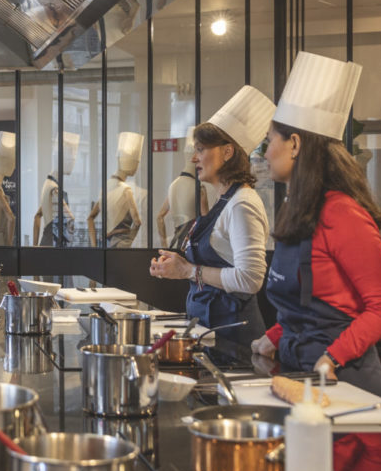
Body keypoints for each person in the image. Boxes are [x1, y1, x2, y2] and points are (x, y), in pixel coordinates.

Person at [253, 52, 381, 398]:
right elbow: (306, 306)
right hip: (298, 373)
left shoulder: (342, 214)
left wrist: (332, 357)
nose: (264, 153)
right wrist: (274, 336)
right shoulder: (296, 208)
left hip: (344, 382)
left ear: (294, 144)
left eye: (268, 141)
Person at [150, 86, 273, 345]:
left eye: (201, 149)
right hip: (211, 330)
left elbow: (249, 279)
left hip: (233, 338)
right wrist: (177, 265)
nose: (194, 157)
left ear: (228, 152)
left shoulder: (242, 203)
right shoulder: (224, 199)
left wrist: (188, 271)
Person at [89, 132, 144, 247]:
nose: (137, 167)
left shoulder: (106, 186)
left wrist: (94, 246)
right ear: (131, 163)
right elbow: (137, 222)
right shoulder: (126, 190)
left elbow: (90, 218)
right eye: (136, 162)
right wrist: (130, 240)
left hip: (106, 244)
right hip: (122, 244)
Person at [156, 127, 201, 248]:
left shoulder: (173, 185)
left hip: (174, 244)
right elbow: (205, 223)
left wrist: (164, 244)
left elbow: (159, 217)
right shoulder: (199, 188)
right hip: (190, 246)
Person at [33, 132, 80, 246]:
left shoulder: (47, 184)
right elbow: (70, 219)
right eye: (72, 158)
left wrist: (35, 246)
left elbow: (37, 216)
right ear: (64, 159)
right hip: (53, 244)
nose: (73, 163)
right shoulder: (54, 189)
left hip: (45, 242)